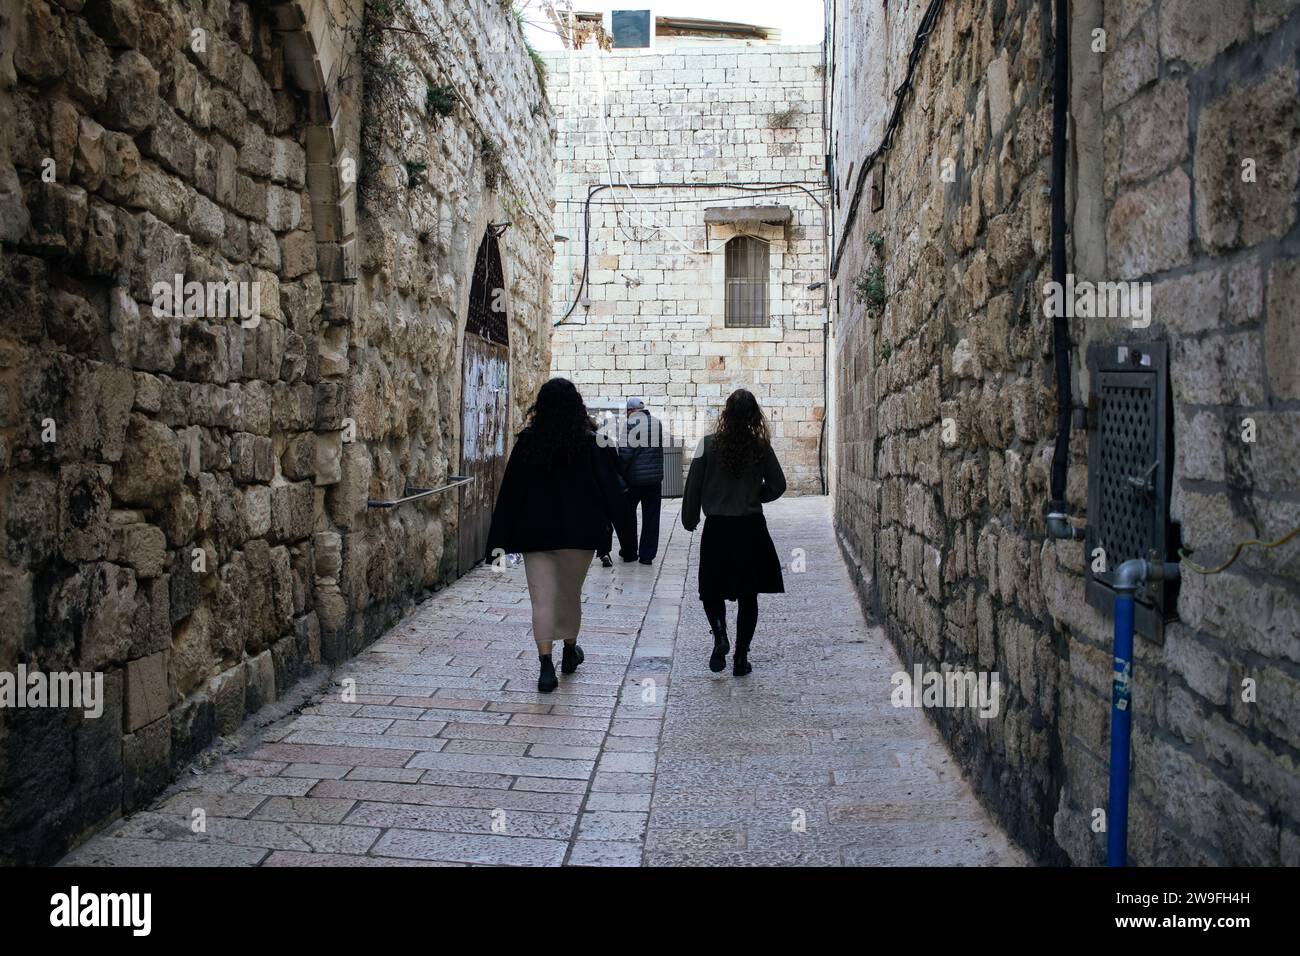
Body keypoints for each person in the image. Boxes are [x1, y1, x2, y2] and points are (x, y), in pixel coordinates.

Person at [486, 378, 626, 693]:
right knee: (569, 595)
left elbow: (510, 496)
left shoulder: (527, 443)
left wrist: (497, 544)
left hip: (535, 535)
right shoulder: (595, 444)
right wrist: (627, 539)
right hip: (580, 535)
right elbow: (613, 495)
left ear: (541, 407)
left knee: (542, 600)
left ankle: (546, 666)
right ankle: (569, 650)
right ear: (577, 407)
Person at [681, 388, 786, 676]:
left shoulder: (707, 444)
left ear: (726, 414)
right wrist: (755, 496)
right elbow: (778, 485)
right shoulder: (760, 447)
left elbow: (693, 488)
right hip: (750, 528)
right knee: (748, 594)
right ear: (755, 416)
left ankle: (719, 636)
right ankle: (741, 657)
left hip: (718, 529)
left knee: (711, 589)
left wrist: (690, 518)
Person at [616, 397, 665, 565]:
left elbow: (625, 453)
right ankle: (647, 555)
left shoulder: (631, 423)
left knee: (628, 515)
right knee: (651, 517)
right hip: (654, 480)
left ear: (630, 411)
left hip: (634, 480)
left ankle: (629, 550)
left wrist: (620, 473)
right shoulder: (657, 423)